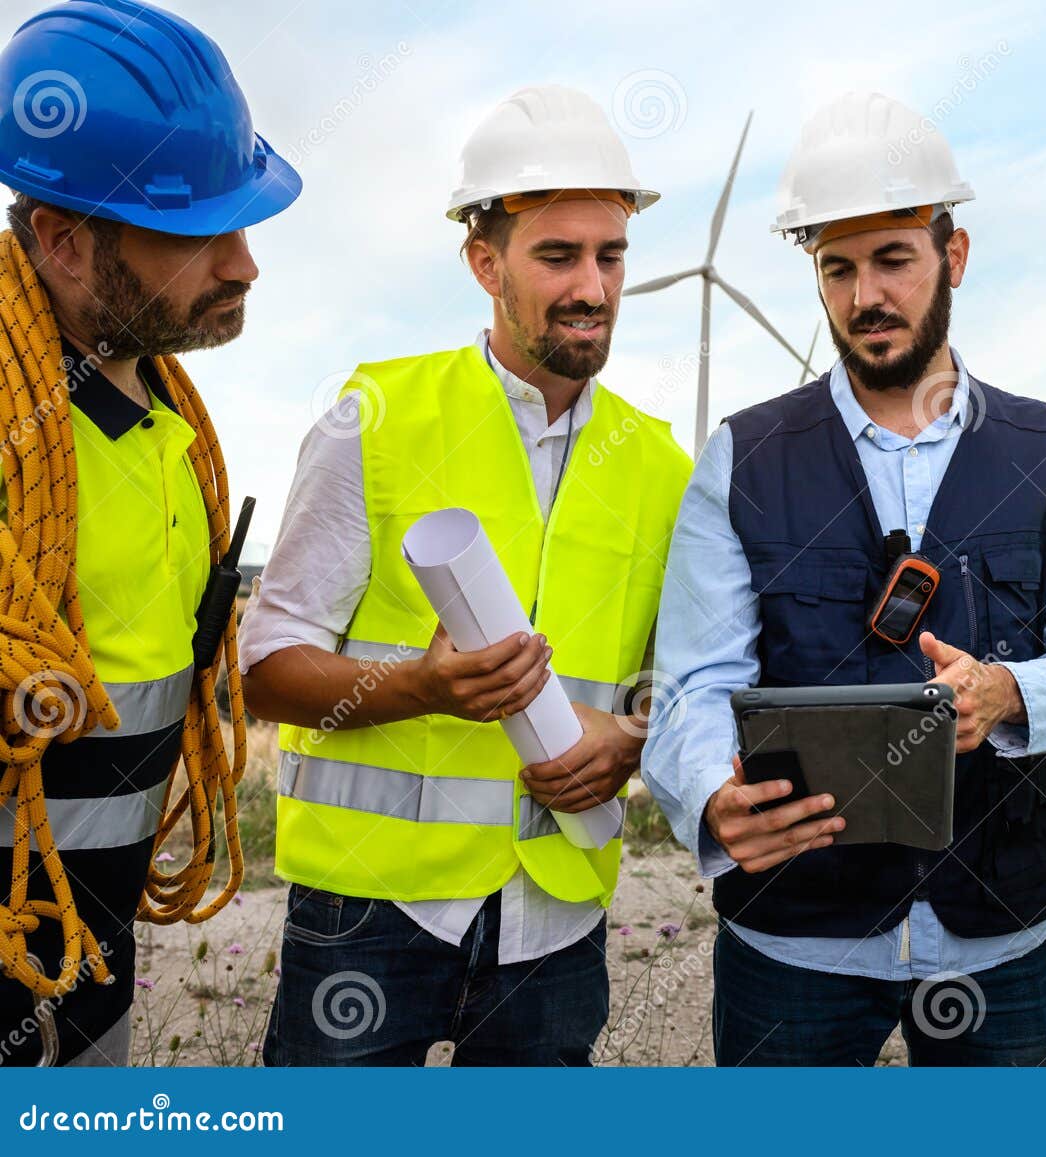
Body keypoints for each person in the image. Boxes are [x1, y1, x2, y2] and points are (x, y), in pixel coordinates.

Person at [643, 91, 1046, 1067]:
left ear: (952, 258)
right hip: (792, 934)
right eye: (837, 266)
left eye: (892, 259)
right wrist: (712, 793)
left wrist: (1008, 689)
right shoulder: (743, 454)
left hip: (994, 932)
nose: (866, 293)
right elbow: (695, 682)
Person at [244, 85, 690, 1066]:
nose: (593, 286)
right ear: (484, 261)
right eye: (558, 254)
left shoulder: (662, 467)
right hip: (369, 906)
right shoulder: (375, 415)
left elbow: (685, 684)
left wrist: (634, 737)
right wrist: (419, 685)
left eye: (611, 254)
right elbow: (265, 667)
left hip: (556, 908)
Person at [0, 0, 300, 1065]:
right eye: (197, 234)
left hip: (91, 962)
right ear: (64, 243)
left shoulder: (162, 420)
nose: (244, 264)